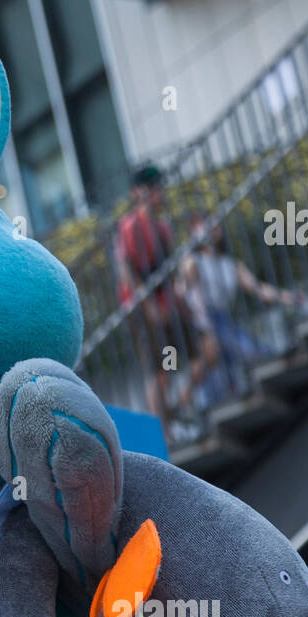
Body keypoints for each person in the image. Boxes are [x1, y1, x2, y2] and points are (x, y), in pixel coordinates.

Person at [178, 213, 304, 406]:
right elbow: (182, 287)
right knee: (232, 365)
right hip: (204, 323)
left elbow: (258, 288)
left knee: (230, 375)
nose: (211, 228)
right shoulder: (194, 261)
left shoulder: (231, 264)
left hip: (223, 320)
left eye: (213, 224)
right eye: (202, 225)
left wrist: (288, 297)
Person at [114, 164, 187, 431]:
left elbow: (172, 266)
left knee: (168, 366)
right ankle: (164, 433)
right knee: (156, 371)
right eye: (151, 188)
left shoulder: (162, 226)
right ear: (137, 193)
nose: (158, 192)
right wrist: (148, 306)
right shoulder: (130, 226)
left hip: (163, 305)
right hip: (141, 308)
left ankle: (170, 417)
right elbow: (127, 271)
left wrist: (177, 289)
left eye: (159, 186)